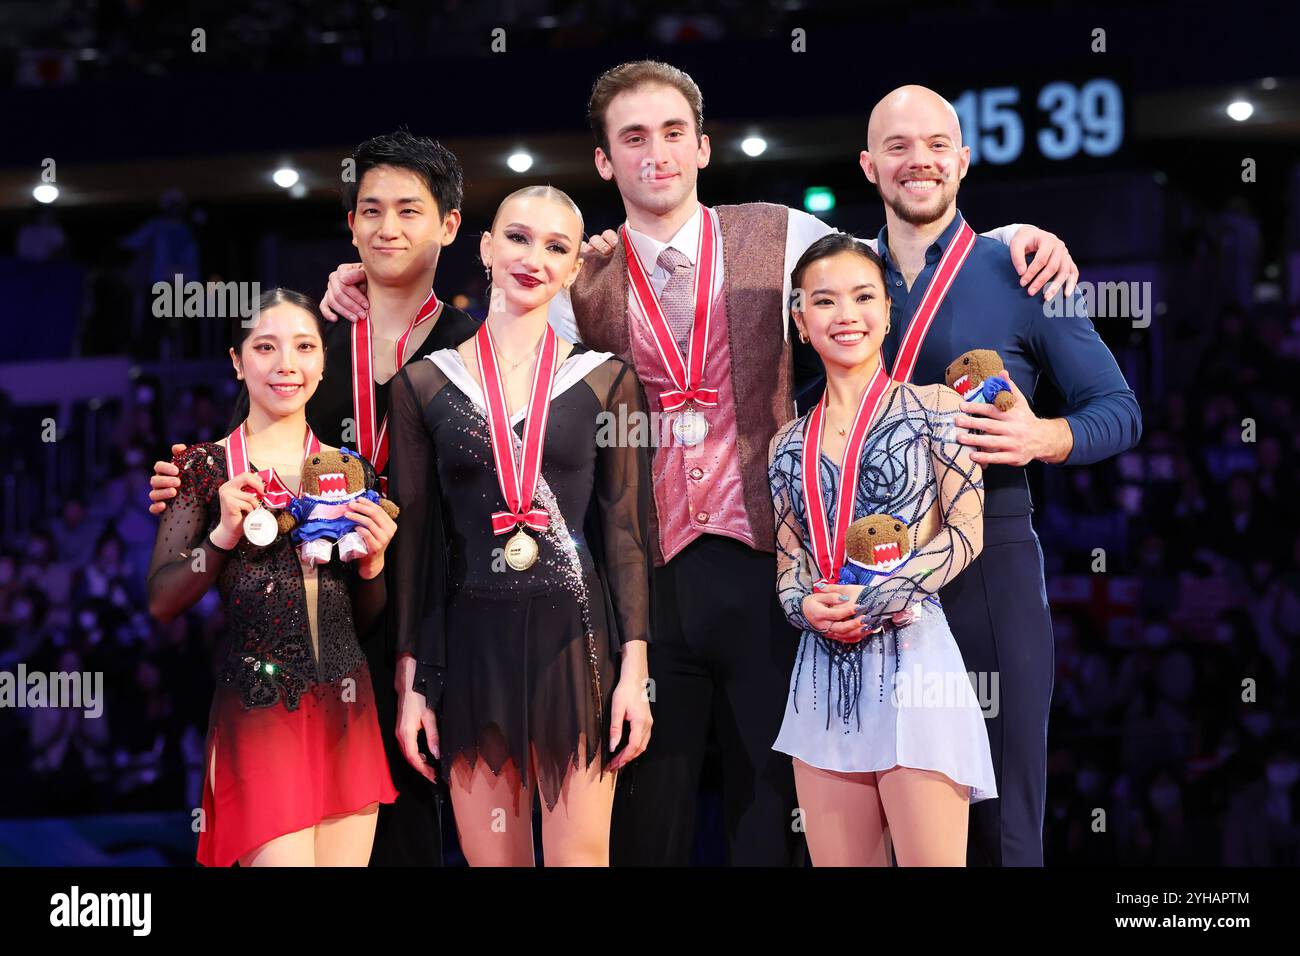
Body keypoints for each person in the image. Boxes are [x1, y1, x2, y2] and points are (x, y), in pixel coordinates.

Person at [320, 61, 1080, 867]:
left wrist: (1004, 239)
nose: (658, 154)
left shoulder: (781, 232)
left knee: (772, 816)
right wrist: (368, 278)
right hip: (645, 582)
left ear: (704, 148)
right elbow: (513, 369)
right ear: (606, 161)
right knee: (650, 826)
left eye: (674, 134)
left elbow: (899, 253)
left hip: (769, 570)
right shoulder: (579, 278)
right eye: (633, 138)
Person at [148, 131, 478, 866]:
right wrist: (193, 491)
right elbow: (236, 467)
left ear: (449, 225)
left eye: (408, 211)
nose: (387, 228)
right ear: (351, 223)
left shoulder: (475, 348)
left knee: (417, 838)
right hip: (299, 658)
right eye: (370, 211)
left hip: (433, 626)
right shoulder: (315, 339)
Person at [855, 85, 1143, 865]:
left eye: (937, 145)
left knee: (1004, 823)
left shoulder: (1022, 271)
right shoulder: (840, 282)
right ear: (868, 164)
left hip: (990, 560)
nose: (919, 161)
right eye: (899, 146)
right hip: (867, 566)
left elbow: (1118, 409)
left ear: (964, 161)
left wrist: (1043, 434)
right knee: (877, 824)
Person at [387, 186, 653, 865]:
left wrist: (634, 674)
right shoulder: (422, 384)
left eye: (557, 247)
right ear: (484, 247)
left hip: (579, 645)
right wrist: (411, 685)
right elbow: (416, 547)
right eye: (518, 237)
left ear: (572, 271)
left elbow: (625, 534)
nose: (534, 257)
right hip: (473, 647)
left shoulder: (607, 380)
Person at [146, 288, 399, 866]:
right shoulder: (202, 468)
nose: (287, 364)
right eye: (265, 346)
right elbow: (162, 599)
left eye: (304, 346)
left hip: (346, 703)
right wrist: (222, 535)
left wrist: (374, 564)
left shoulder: (348, 467)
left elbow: (364, 616)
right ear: (237, 361)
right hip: (261, 706)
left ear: (322, 362)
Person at [770, 234, 994, 865]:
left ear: (888, 311)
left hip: (916, 661)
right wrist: (803, 608)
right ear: (801, 319)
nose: (847, 315)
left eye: (864, 296)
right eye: (826, 301)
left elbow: (966, 532)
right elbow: (790, 562)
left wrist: (876, 596)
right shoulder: (784, 444)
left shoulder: (937, 409)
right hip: (822, 669)